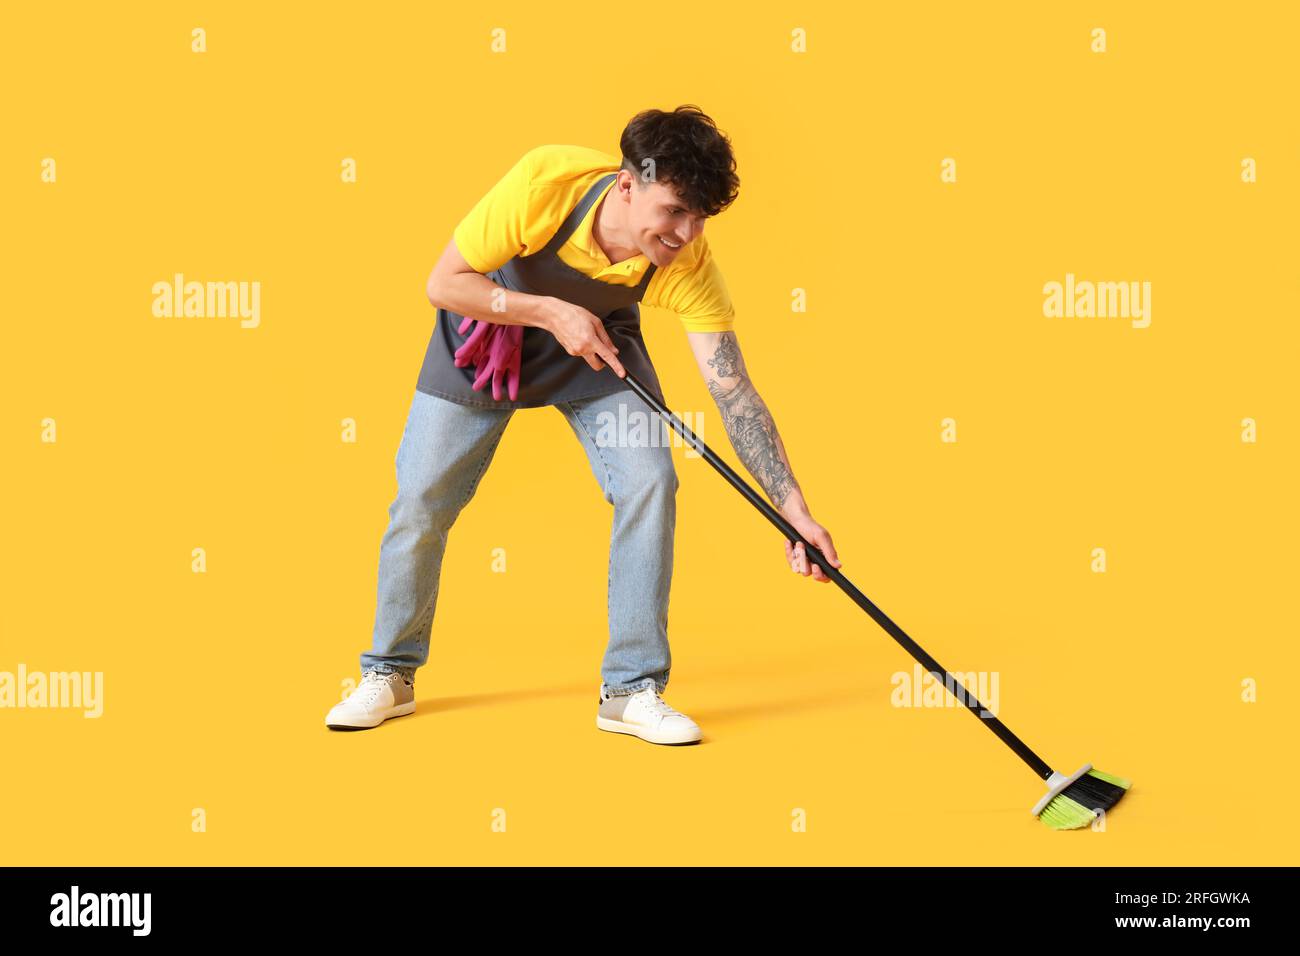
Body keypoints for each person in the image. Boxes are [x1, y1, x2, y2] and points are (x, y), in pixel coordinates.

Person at [326, 105, 841, 744]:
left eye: (700, 217)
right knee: (421, 496)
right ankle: (389, 673)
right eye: (674, 210)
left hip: (598, 349)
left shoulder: (688, 263)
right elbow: (443, 282)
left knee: (650, 480)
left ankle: (632, 690)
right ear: (627, 184)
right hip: (487, 333)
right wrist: (547, 311)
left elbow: (734, 393)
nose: (686, 233)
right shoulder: (545, 185)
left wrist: (795, 512)